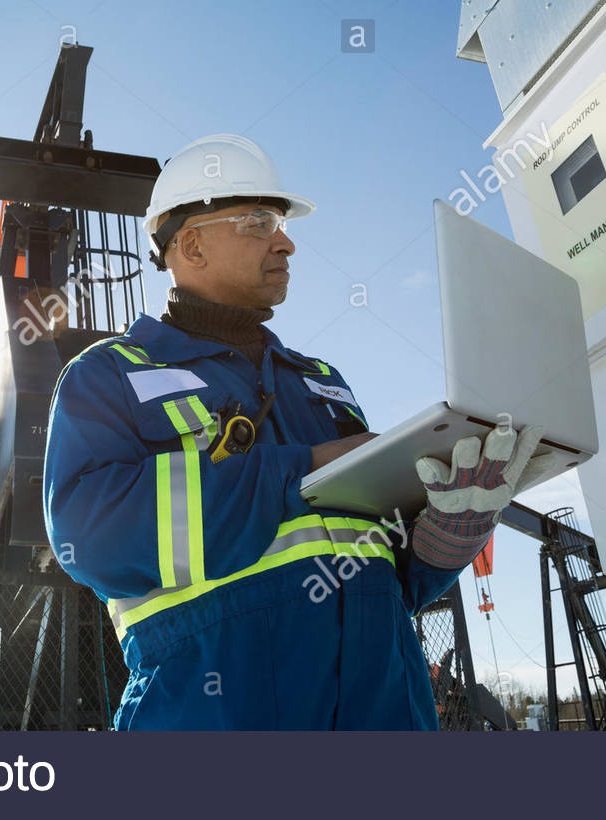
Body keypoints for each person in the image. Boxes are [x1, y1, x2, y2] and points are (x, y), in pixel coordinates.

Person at [42, 133, 544, 729]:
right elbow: (88, 535)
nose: (286, 242)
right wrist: (301, 469)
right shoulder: (111, 374)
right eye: (258, 222)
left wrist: (447, 534)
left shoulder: (321, 381)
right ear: (191, 244)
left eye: (279, 223)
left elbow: (385, 575)